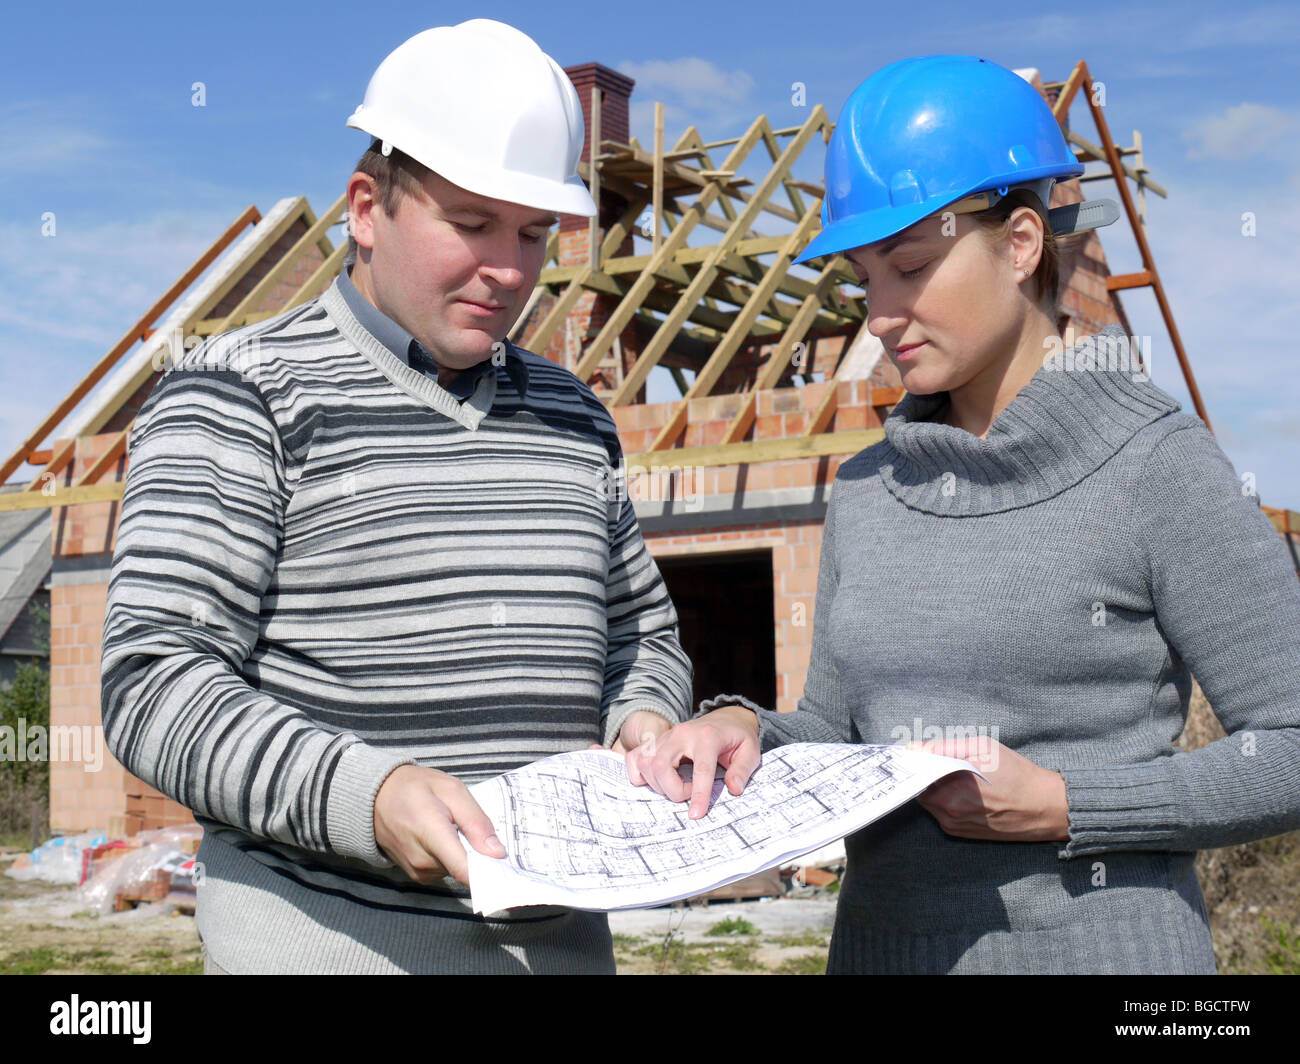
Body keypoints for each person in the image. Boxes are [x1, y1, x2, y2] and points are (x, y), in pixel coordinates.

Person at [624, 54, 1300, 974]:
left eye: (910, 268)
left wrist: (1069, 805)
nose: (883, 315)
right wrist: (743, 727)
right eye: (868, 278)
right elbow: (837, 726)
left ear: (1022, 244)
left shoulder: (1157, 467)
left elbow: (1291, 747)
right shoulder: (870, 489)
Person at [100, 19, 691, 975]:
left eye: (535, 233)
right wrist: (367, 795)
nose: (509, 271)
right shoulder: (242, 394)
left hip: (560, 948)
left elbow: (639, 640)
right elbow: (155, 682)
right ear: (368, 206)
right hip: (325, 946)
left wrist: (647, 722)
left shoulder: (575, 416)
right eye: (471, 224)